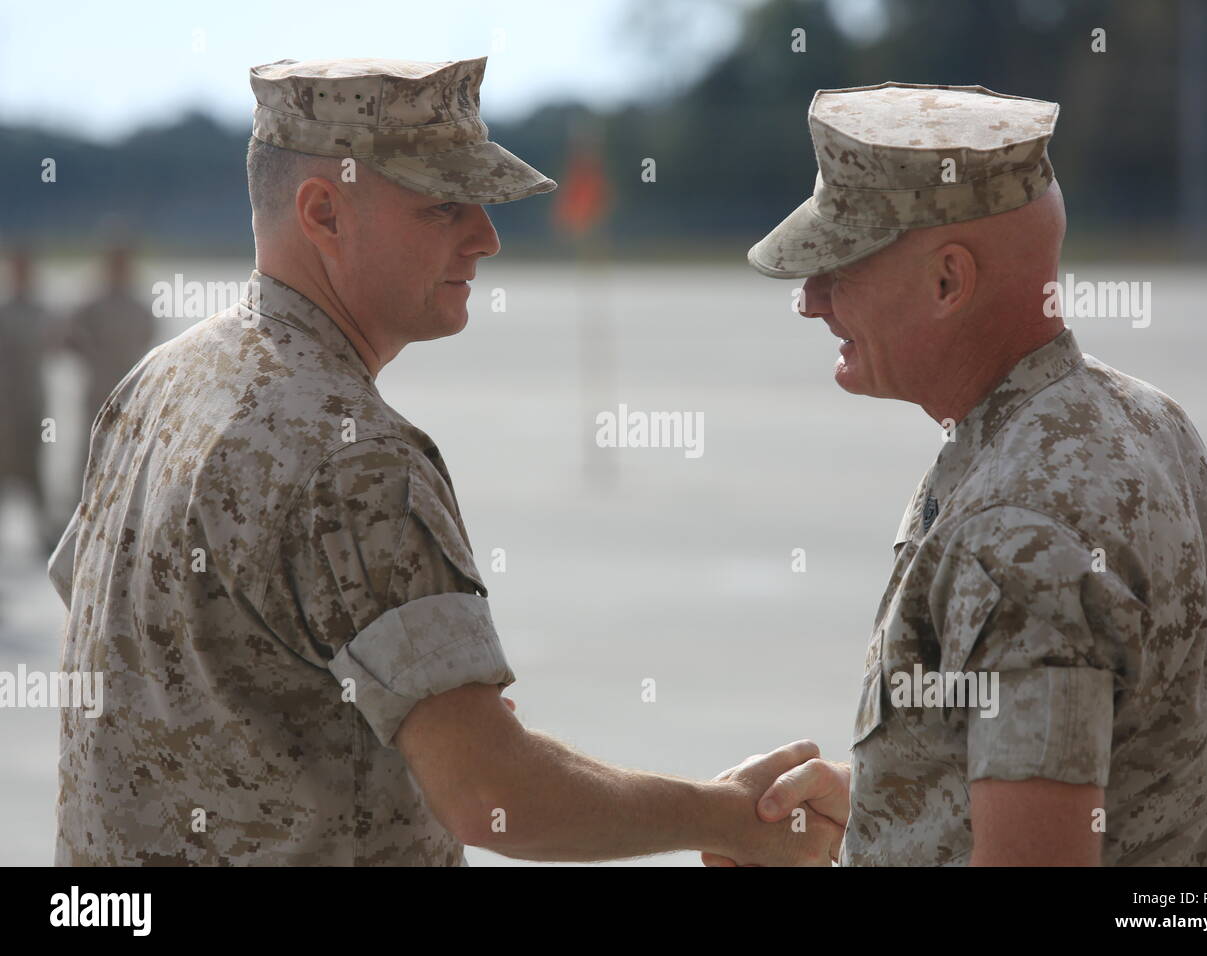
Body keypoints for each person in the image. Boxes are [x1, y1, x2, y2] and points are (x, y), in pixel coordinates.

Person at [47, 56, 839, 866]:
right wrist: (727, 816)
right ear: (324, 212)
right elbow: (492, 794)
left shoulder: (159, 383)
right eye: (444, 207)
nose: (487, 238)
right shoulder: (353, 462)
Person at [707, 82, 1207, 866]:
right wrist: (890, 806)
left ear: (948, 281)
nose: (810, 301)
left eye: (839, 266)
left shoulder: (1017, 526)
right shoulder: (1142, 419)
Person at [60, 244, 155, 433]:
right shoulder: (90, 305)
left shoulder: (139, 307)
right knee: (92, 444)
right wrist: (93, 358)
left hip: (130, 391)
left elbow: (149, 340)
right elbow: (68, 339)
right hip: (98, 390)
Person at [0, 247, 52, 545]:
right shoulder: (4, 312)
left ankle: (44, 536)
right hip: (4, 408)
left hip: (33, 406)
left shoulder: (42, 312)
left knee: (36, 475)